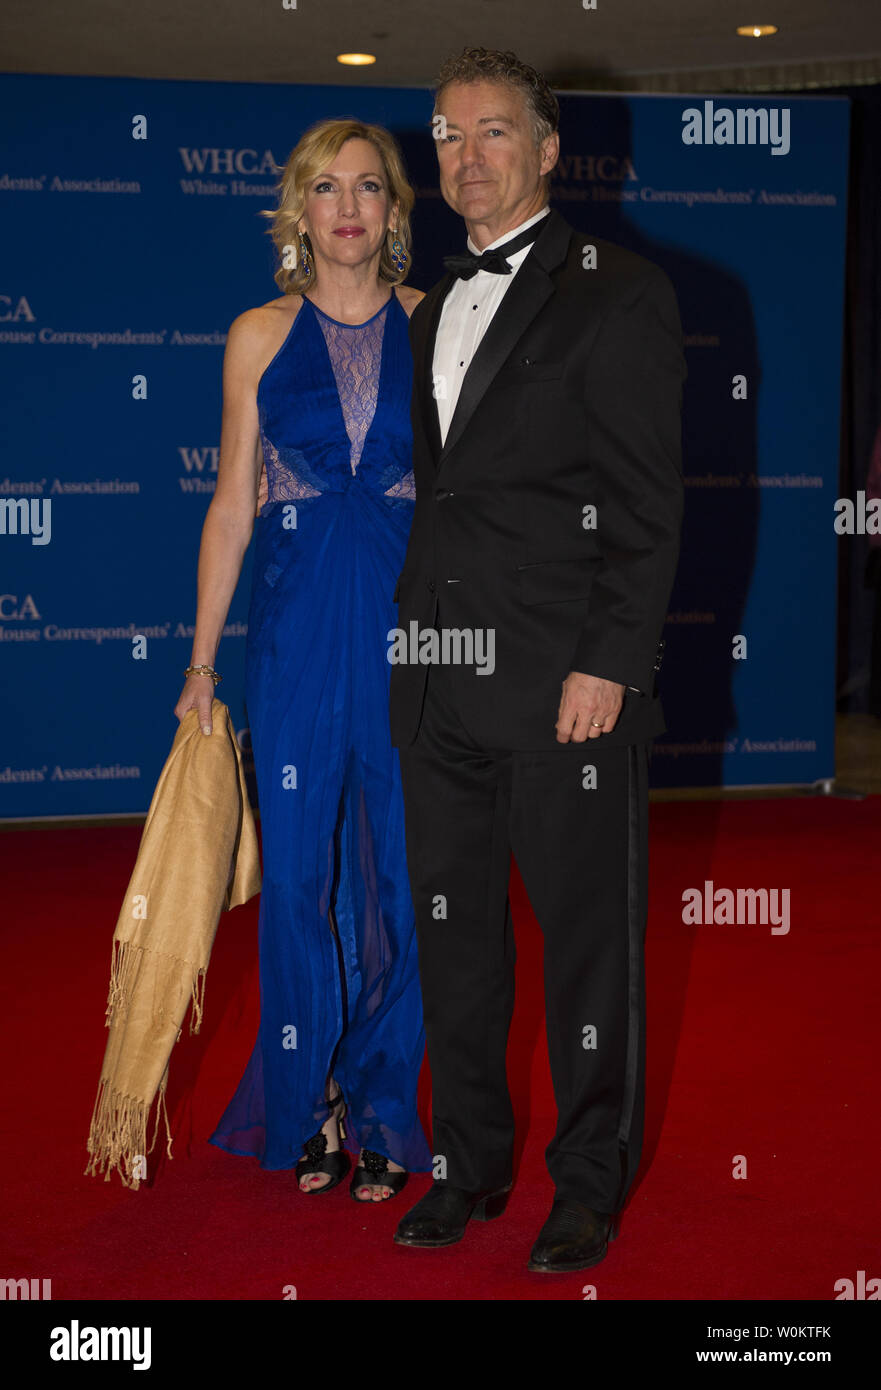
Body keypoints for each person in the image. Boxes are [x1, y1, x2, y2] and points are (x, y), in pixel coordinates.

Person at [390, 48, 686, 1269]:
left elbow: (643, 501)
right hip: (437, 676)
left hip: (566, 685)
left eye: (493, 132)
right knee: (455, 938)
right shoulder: (432, 300)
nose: (466, 158)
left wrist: (607, 664)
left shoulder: (615, 291)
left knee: (583, 950)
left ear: (549, 151)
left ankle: (585, 1180)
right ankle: (466, 1159)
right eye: (449, 137)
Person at [174, 118, 432, 1202]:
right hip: (291, 631)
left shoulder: (438, 322)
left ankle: (383, 1103)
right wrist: (199, 667)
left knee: (401, 879)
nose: (345, 206)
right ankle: (309, 1097)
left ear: (392, 211)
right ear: (296, 210)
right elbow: (232, 506)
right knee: (296, 882)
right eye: (324, 187)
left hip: (411, 631)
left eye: (367, 188)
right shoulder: (255, 335)